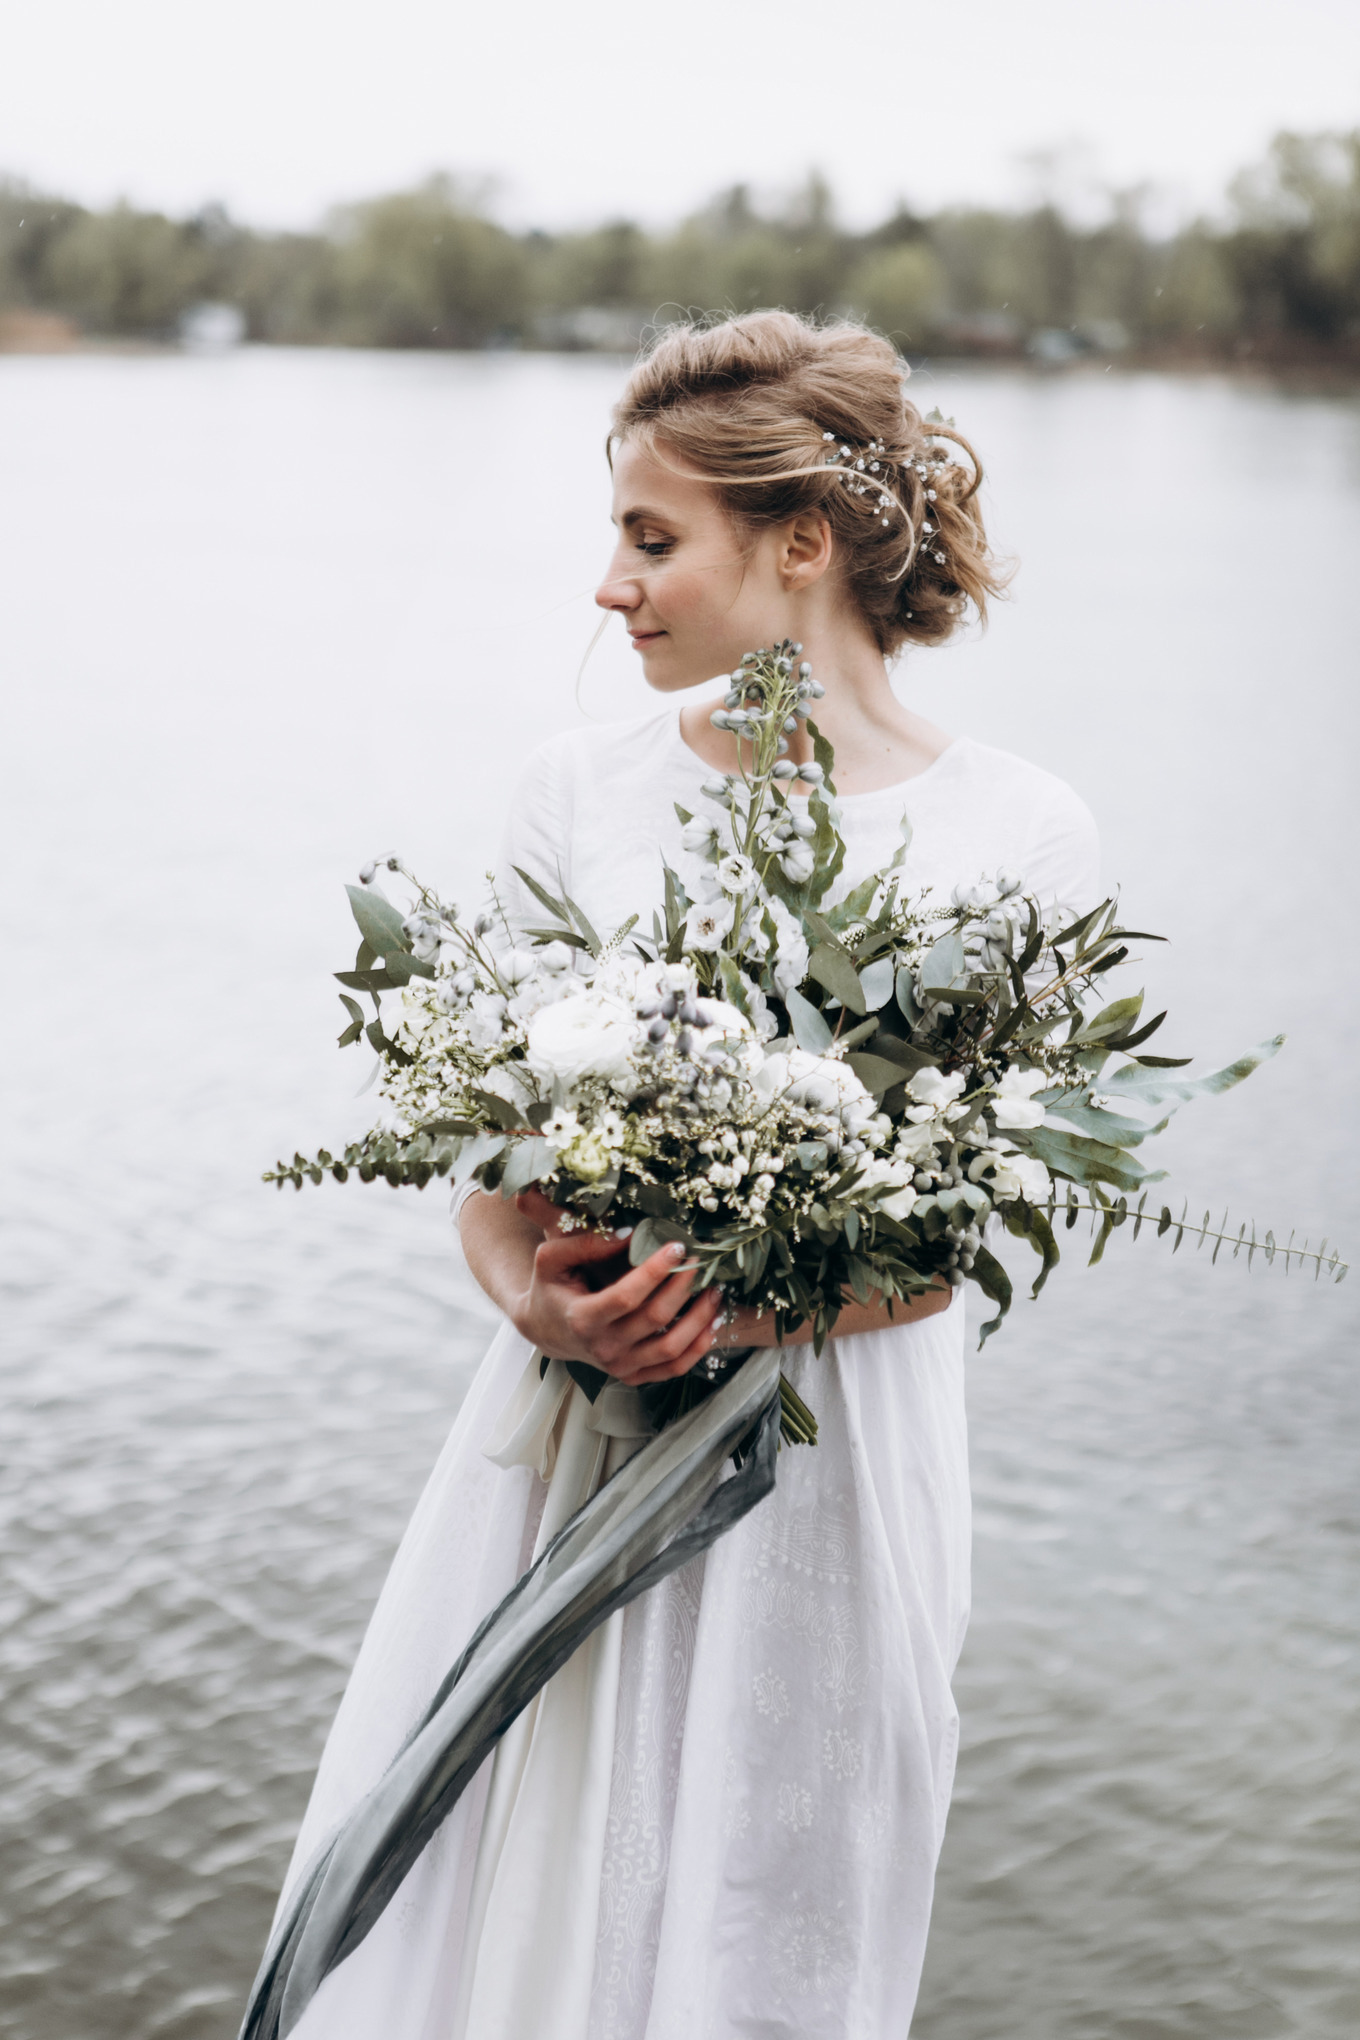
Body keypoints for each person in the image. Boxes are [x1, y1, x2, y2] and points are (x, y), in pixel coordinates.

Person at [268, 310, 1099, 2038]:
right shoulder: (573, 793)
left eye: (654, 541)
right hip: (573, 1436)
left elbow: (981, 1212)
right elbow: (488, 1142)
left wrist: (760, 1283)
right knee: (514, 1886)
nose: (609, 587)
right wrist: (538, 1300)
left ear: (802, 544)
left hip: (839, 1467)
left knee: (769, 1906)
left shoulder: (1021, 831)